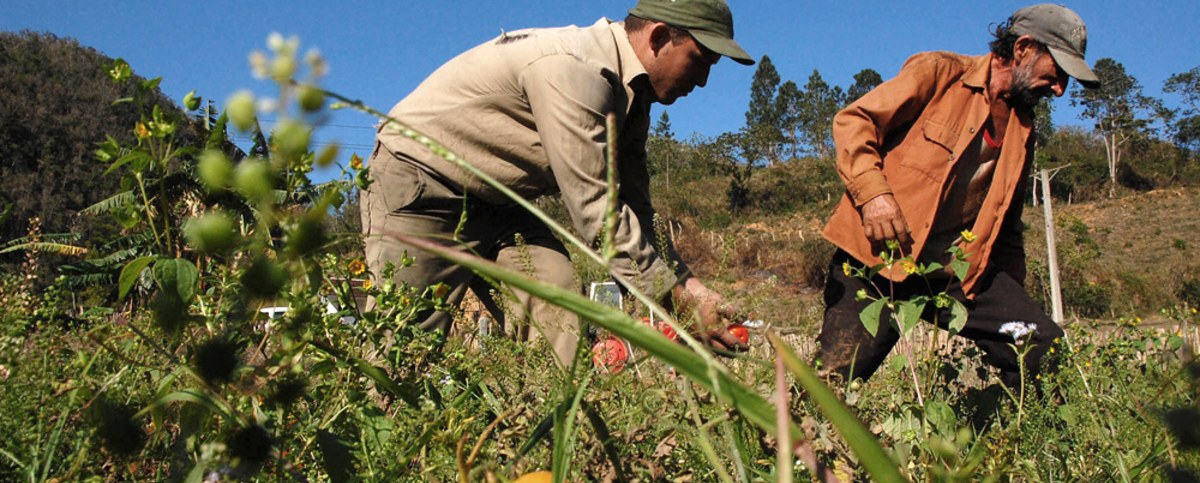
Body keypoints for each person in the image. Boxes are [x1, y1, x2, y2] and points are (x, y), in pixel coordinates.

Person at [362, 0, 754, 368]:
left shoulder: (633, 99)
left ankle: (552, 429)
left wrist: (695, 291)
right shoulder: (577, 70)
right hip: (424, 187)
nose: (702, 81)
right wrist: (681, 305)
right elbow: (598, 213)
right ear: (658, 37)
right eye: (700, 61)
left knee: (558, 298)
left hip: (503, 202)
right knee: (405, 346)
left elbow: (635, 211)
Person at [816, 4, 1100, 389]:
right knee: (832, 383)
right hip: (879, 258)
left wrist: (1014, 293)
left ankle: (1004, 442)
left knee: (1043, 348)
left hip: (957, 272)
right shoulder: (940, 73)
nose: (1059, 88)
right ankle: (793, 446)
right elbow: (855, 120)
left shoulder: (1023, 129)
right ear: (1023, 49)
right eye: (1057, 72)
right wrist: (874, 196)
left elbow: (1007, 219)